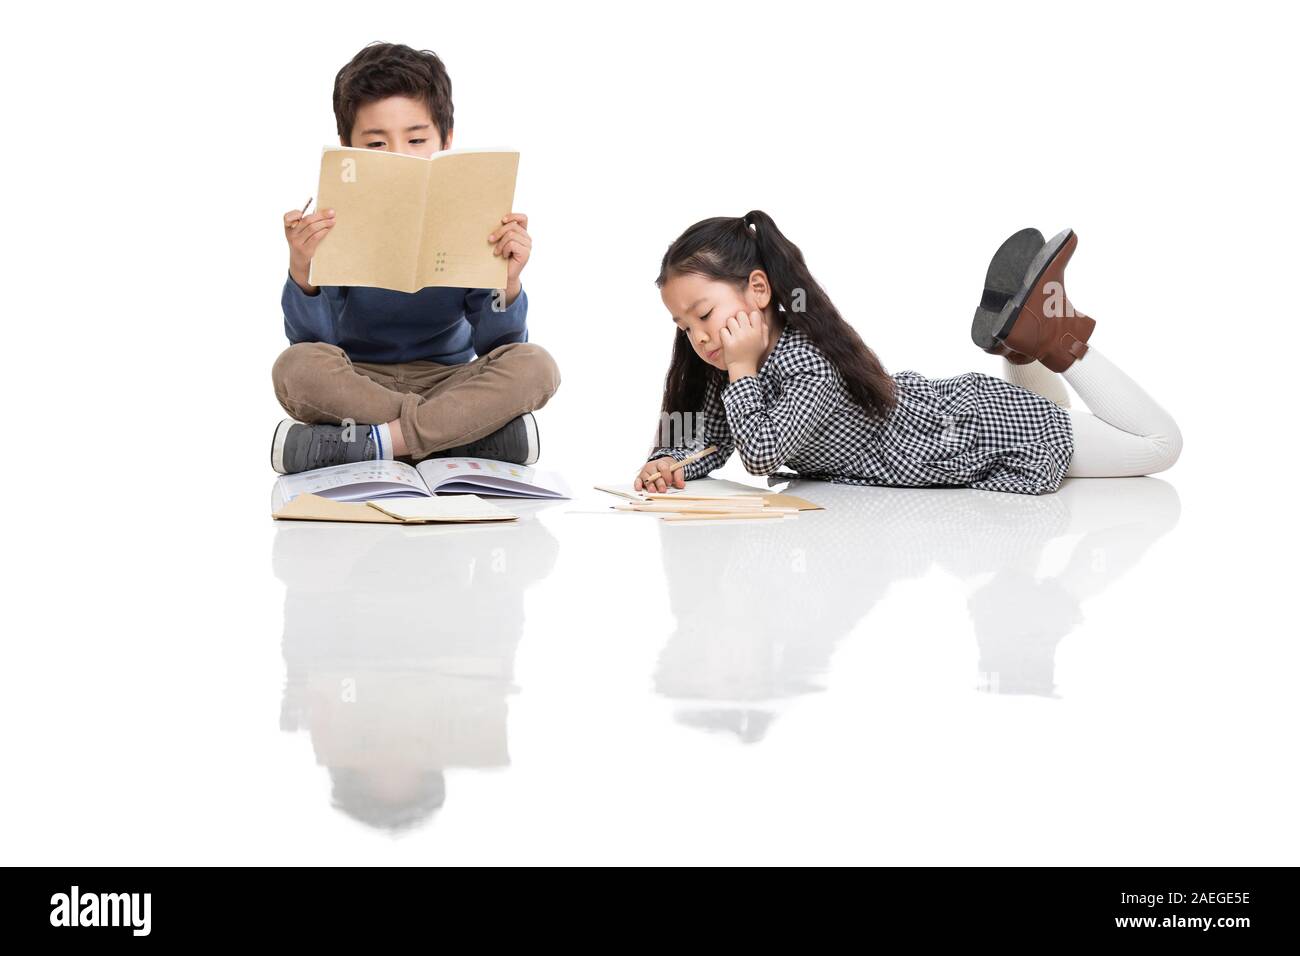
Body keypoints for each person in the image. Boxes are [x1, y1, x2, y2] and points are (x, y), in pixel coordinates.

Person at [635, 211, 1181, 496]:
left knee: (1160, 445)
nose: (698, 338)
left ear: (758, 290)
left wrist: (741, 370)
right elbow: (721, 441)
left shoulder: (803, 364)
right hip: (949, 418)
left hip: (973, 433)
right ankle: (1021, 340)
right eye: (682, 326)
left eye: (703, 315)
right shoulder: (737, 368)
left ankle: (1058, 338)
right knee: (1049, 409)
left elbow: (761, 453)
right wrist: (674, 465)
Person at [271, 42, 560, 475]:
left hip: (448, 380)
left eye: (416, 139)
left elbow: (499, 345)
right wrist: (303, 272)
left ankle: (382, 442)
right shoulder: (336, 219)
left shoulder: (471, 214)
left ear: (445, 140)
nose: (399, 156)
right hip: (360, 380)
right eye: (376, 143)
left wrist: (507, 283)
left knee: (536, 365)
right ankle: (458, 435)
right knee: (294, 369)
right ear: (347, 148)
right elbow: (312, 343)